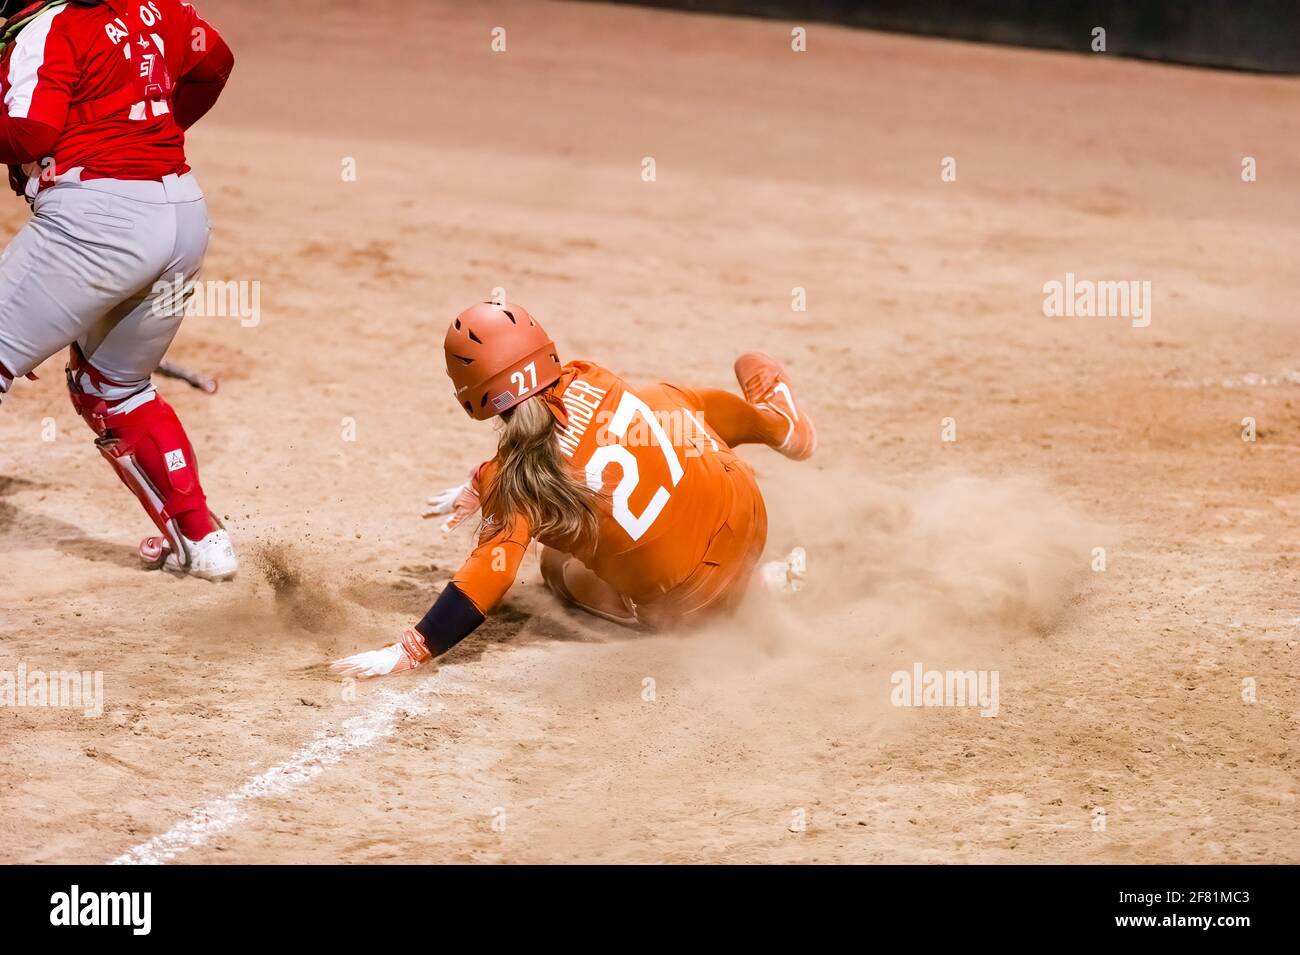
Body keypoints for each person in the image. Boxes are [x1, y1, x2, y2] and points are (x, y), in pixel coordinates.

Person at [332, 301, 815, 678]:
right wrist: (482, 481)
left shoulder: (517, 483)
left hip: (695, 600)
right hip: (748, 507)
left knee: (556, 565)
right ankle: (778, 425)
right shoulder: (589, 376)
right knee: (666, 403)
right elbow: (564, 432)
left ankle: (749, 595)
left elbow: (489, 573)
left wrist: (415, 647)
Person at [0, 0, 237, 579]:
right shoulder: (160, 6)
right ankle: (203, 543)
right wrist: (152, 130)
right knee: (115, 386)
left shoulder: (49, 24)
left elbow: (30, 130)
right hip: (182, 212)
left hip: (98, 218)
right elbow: (216, 62)